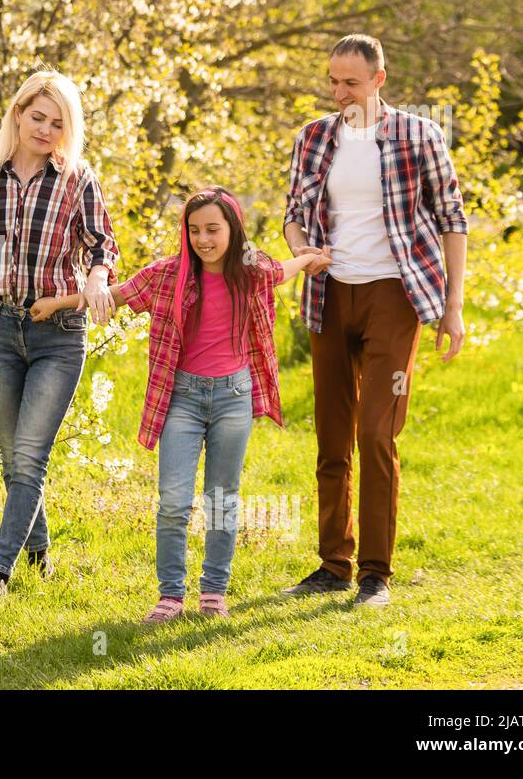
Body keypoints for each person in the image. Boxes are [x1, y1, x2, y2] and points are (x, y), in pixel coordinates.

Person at [31, 188, 331, 622]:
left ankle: (213, 592)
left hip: (233, 397)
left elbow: (284, 269)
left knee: (222, 498)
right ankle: (170, 595)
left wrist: (310, 257)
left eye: (213, 229)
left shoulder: (252, 270)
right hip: (183, 400)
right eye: (194, 230)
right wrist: (57, 303)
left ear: (233, 229)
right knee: (173, 499)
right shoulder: (166, 275)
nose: (204, 239)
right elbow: (112, 296)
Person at [281, 34, 468, 608]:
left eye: (351, 83)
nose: (340, 93)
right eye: (333, 81)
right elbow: (293, 216)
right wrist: (305, 250)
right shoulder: (313, 138)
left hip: (395, 296)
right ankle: (334, 564)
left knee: (376, 432)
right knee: (332, 436)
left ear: (379, 79)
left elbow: (452, 220)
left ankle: (375, 575)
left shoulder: (419, 134)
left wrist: (452, 307)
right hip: (330, 296)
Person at [0, 70, 120, 601]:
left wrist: (95, 276)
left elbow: (101, 246)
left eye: (58, 123)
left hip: (57, 335)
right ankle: (39, 552)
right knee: (16, 455)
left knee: (31, 455)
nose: (45, 130)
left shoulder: (77, 178)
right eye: (38, 117)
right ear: (18, 114)